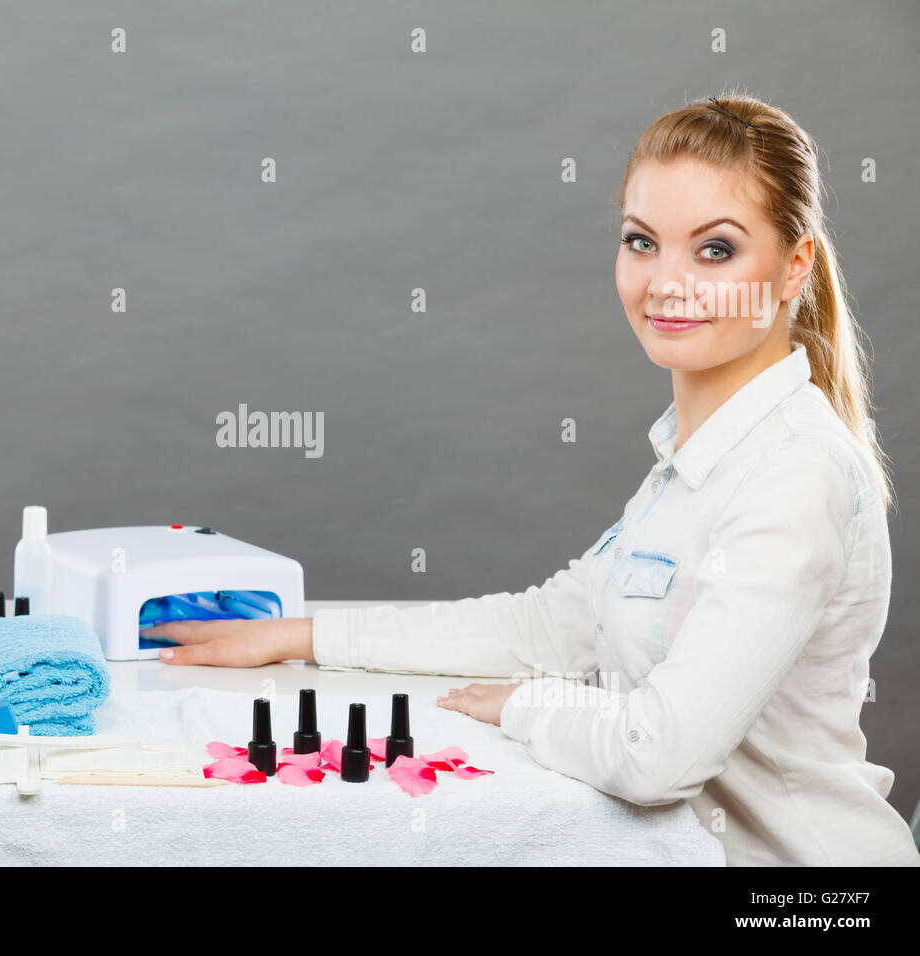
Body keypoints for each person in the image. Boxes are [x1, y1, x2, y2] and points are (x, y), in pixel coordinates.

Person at [146, 93, 919, 867]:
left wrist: (527, 706)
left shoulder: (795, 473)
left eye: (715, 249)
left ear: (794, 267)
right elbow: (550, 627)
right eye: (642, 242)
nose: (667, 282)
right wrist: (300, 636)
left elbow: (661, 754)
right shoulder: (696, 461)